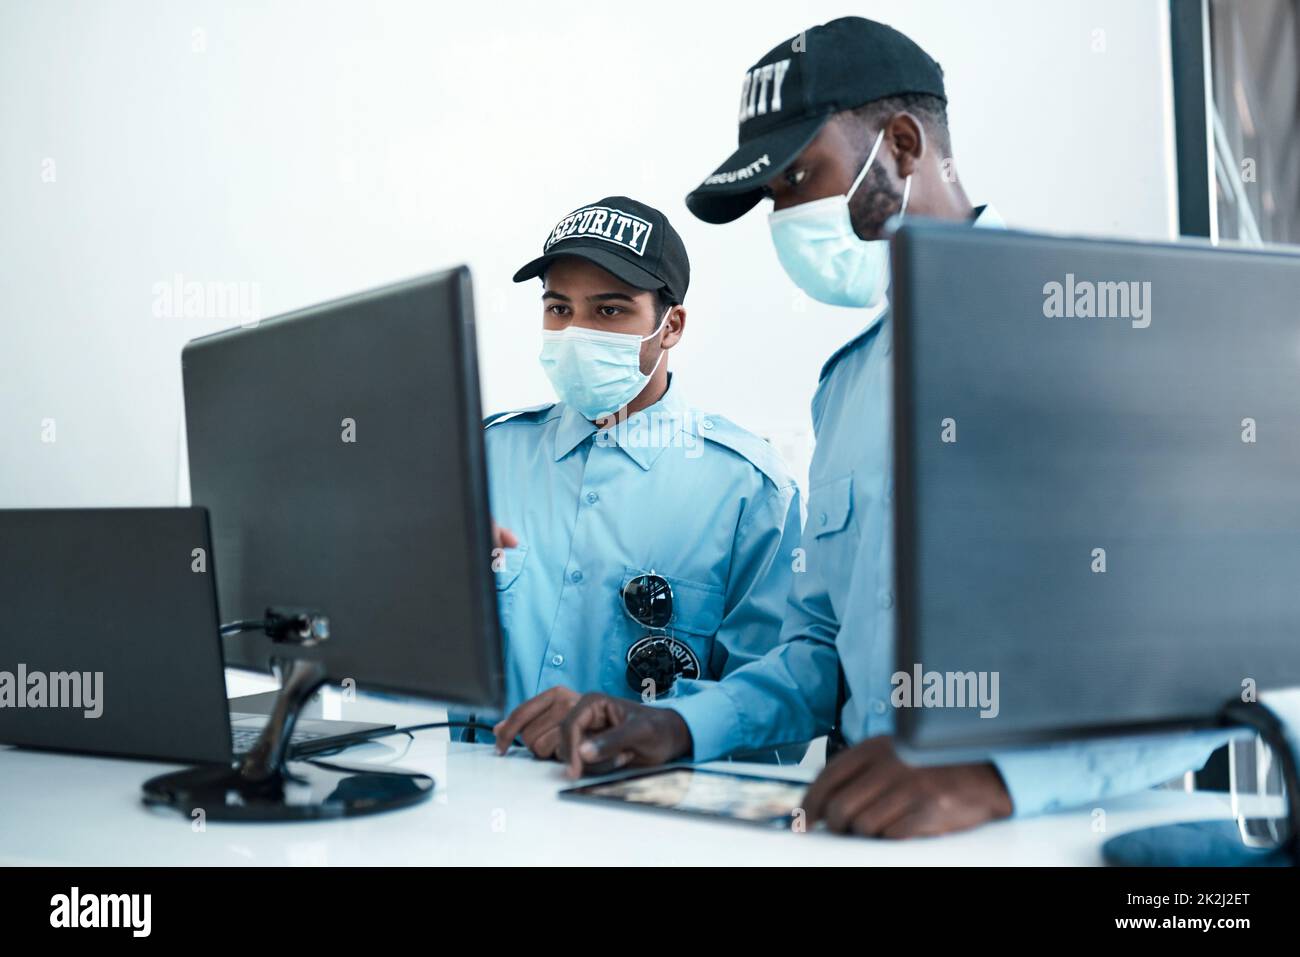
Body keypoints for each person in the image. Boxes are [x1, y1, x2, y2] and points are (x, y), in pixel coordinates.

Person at [554, 18, 1224, 838]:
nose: (783, 216)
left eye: (800, 176)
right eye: (771, 197)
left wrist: (997, 777)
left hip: (1067, 839)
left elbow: (1242, 665)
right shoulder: (847, 389)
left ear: (903, 144)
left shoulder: (1104, 325)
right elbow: (818, 647)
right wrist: (685, 724)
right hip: (874, 838)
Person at [476, 195, 801, 760]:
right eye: (558, 309)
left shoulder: (749, 491)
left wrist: (657, 728)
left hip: (644, 825)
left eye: (609, 311)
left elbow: (783, 715)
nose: (575, 332)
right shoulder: (483, 457)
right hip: (467, 822)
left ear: (671, 325)